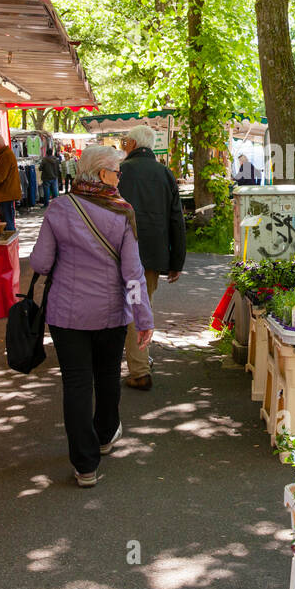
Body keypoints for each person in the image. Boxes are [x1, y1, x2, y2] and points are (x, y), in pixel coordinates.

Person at [29, 145, 153, 487]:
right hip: (111, 313)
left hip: (66, 316)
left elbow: (40, 263)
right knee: (108, 375)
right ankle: (105, 435)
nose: (119, 177)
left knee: (77, 384)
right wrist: (142, 317)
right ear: (102, 174)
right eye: (116, 171)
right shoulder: (122, 213)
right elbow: (132, 273)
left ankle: (85, 465)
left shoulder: (59, 208)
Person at [117, 125, 186, 391]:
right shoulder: (164, 173)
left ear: (132, 143)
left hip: (119, 252)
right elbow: (176, 220)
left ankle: (140, 369)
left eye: (125, 141)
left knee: (126, 309)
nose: (123, 145)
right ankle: (141, 359)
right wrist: (176, 261)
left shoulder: (119, 172)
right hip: (153, 255)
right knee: (141, 305)